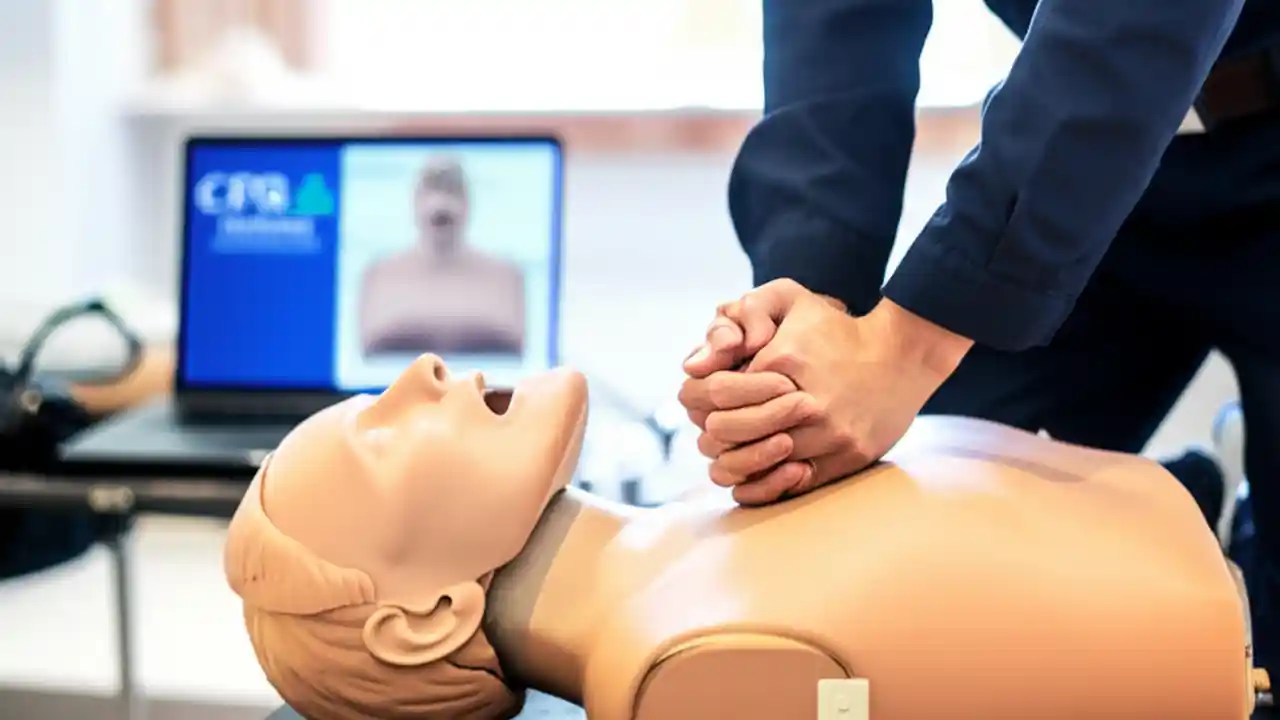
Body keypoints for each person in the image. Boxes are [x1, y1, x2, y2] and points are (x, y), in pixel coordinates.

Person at [677, 0, 1280, 675]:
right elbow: (837, 23)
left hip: (1210, 127)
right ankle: (1192, 503)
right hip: (1091, 178)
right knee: (904, 558)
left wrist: (903, 351)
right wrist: (806, 322)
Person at [224, 355, 1253, 720]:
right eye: (381, 439)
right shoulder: (685, 678)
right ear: (420, 620)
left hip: (1168, 525)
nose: (422, 373)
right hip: (1210, 622)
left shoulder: (690, 522)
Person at [358, 156, 526, 357]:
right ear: (414, 202)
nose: (441, 204)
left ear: (468, 204)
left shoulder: (506, 278)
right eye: (432, 188)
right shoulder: (380, 276)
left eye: (452, 190)